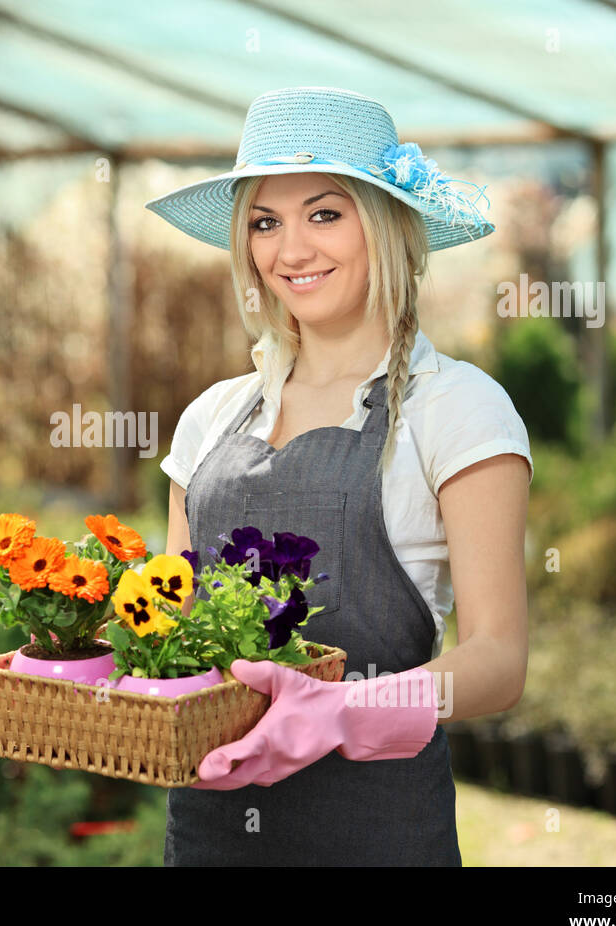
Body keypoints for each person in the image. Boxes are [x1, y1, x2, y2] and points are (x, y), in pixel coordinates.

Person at [144, 87, 532, 866]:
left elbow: (498, 664)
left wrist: (343, 712)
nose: (291, 251)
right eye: (265, 221)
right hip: (213, 835)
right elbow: (171, 628)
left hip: (378, 835)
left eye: (325, 214)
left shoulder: (457, 410)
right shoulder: (211, 420)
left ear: (387, 225)